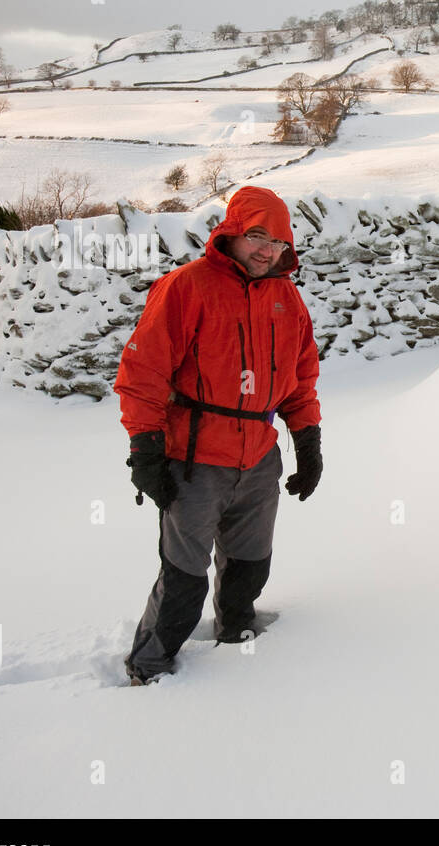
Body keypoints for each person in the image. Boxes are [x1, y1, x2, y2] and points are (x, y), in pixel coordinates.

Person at [113, 185, 323, 686]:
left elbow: (301, 377)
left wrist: (309, 442)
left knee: (251, 563)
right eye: (256, 236)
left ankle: (236, 638)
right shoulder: (187, 287)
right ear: (230, 233)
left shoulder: (286, 298)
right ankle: (149, 666)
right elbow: (142, 372)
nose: (266, 251)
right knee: (183, 574)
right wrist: (145, 449)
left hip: (258, 459)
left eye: (277, 242)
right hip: (194, 460)